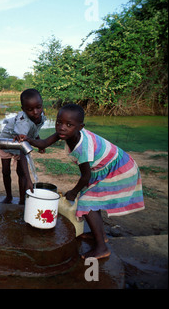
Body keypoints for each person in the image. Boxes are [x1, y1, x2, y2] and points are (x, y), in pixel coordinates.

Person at [21, 104, 145, 259]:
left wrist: (73, 192)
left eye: (69, 125)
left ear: (80, 127)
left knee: (87, 201)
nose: (62, 128)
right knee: (92, 199)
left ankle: (101, 247)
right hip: (104, 167)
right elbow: (44, 143)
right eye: (59, 123)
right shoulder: (65, 133)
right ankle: (100, 236)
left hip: (118, 168)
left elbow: (85, 177)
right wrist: (27, 139)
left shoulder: (83, 147)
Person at [0, 88, 47, 205]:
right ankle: (9, 196)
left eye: (38, 107)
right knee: (6, 171)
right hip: (7, 140)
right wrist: (29, 179)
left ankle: (21, 200)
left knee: (21, 172)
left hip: (21, 141)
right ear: (23, 109)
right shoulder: (23, 122)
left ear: (41, 105)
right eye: (30, 110)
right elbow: (22, 152)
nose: (35, 112)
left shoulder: (40, 116)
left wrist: (39, 142)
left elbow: (34, 130)